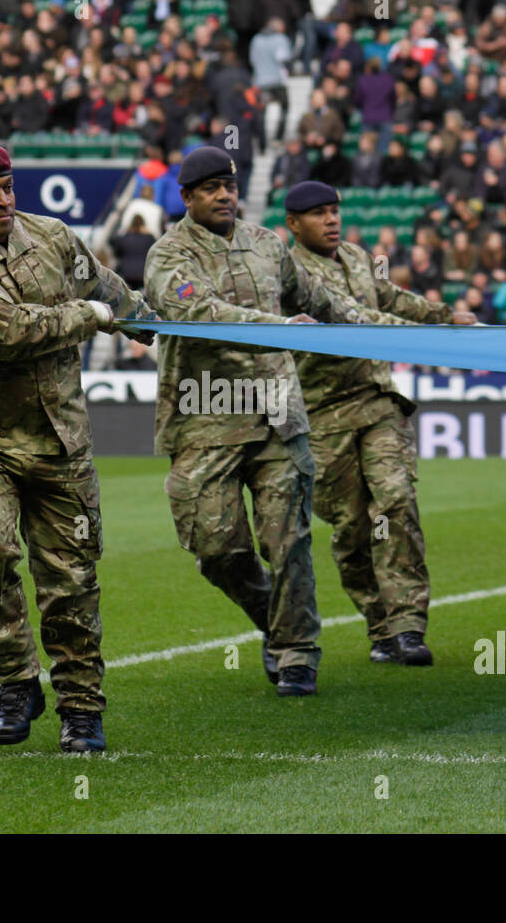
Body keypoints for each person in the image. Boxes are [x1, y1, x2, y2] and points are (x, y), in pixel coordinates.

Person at [0, 142, 157, 753]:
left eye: (8, 186)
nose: (4, 199)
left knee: (71, 581)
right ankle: (17, 681)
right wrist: (93, 314)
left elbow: (105, 286)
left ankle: (81, 709)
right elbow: (9, 331)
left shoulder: (51, 237)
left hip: (61, 444)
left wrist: (144, 318)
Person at [143, 148, 397, 697]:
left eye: (228, 186)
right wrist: (279, 324)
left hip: (279, 416)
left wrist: (384, 331)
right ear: (187, 198)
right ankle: (271, 617)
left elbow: (322, 300)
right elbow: (197, 313)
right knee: (216, 548)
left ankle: (297, 651)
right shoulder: (169, 255)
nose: (224, 195)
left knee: (289, 541)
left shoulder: (267, 246)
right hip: (204, 419)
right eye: (210, 188)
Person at [283, 181, 476, 665]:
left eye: (334, 211)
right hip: (323, 413)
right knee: (350, 528)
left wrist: (446, 318)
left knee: (396, 503)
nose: (331, 220)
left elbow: (390, 299)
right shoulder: (282, 273)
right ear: (293, 224)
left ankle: (409, 625)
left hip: (378, 401)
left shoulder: (357, 258)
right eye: (319, 214)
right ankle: (380, 625)